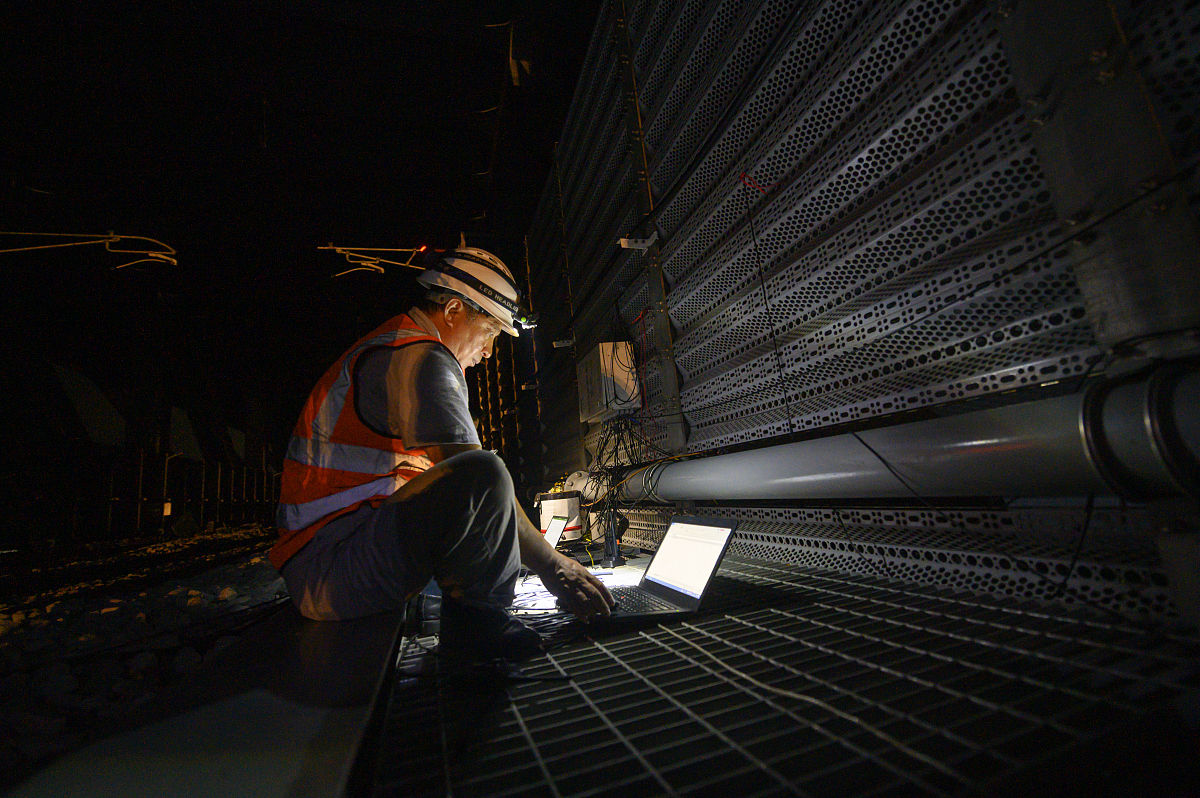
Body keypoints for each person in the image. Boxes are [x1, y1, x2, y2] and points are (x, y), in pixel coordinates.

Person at [269, 246, 612, 660]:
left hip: (333, 559)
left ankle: (471, 619)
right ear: (453, 310)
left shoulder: (393, 347)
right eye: (488, 333)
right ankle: (478, 640)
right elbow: (474, 483)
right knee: (483, 472)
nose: (488, 352)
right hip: (333, 572)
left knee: (476, 480)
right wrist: (555, 566)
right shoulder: (422, 357)